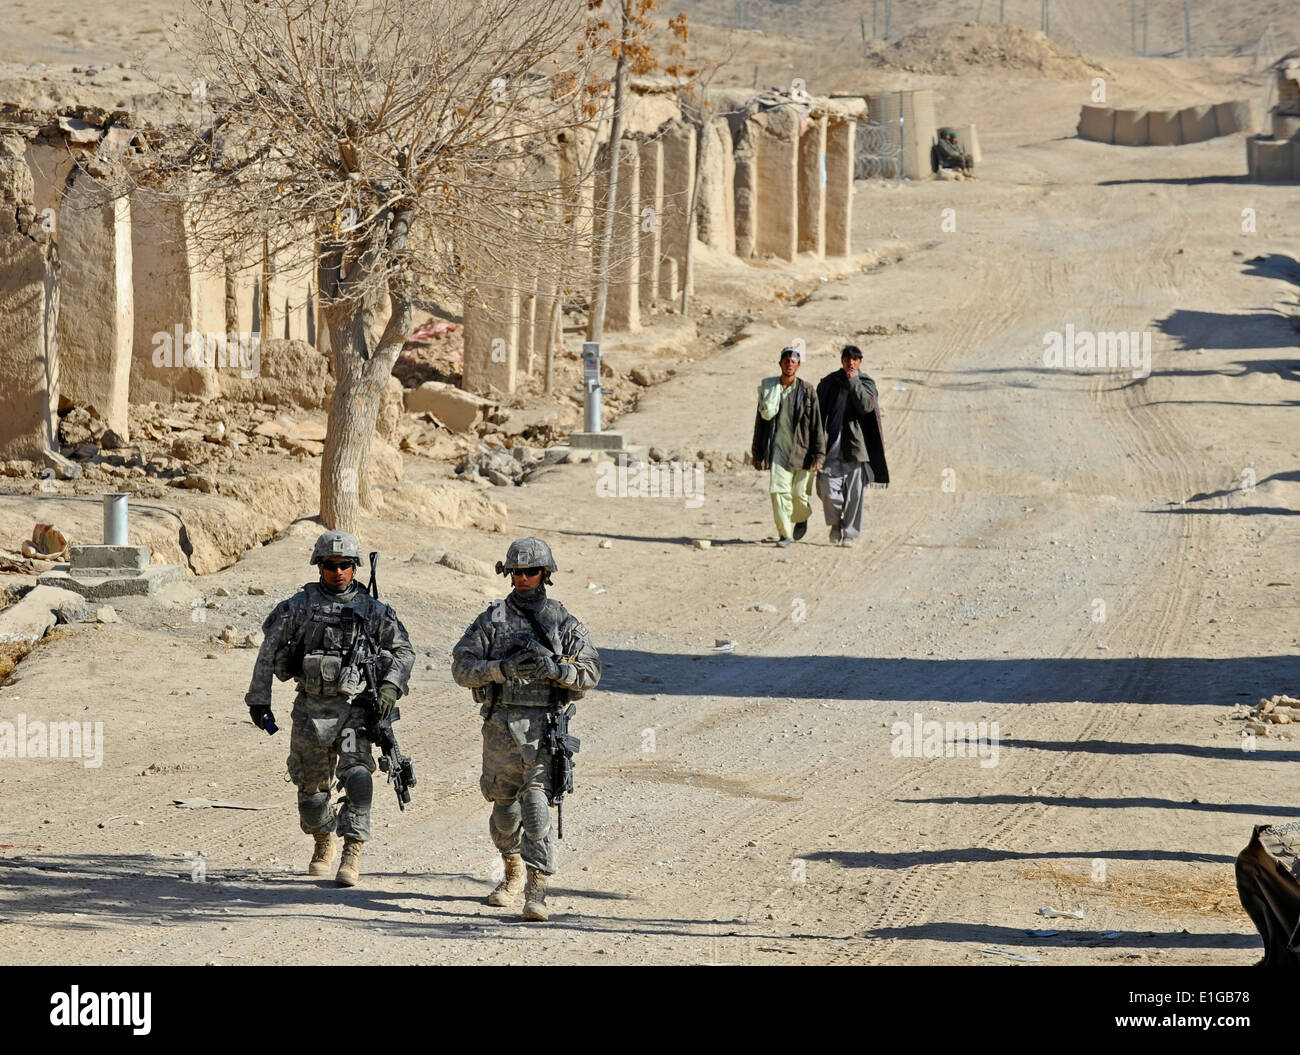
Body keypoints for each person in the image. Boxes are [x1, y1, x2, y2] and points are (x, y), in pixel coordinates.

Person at [244, 530, 415, 888]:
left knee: (358, 777)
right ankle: (323, 841)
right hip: (310, 709)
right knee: (310, 792)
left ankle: (353, 850)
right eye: (330, 565)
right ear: (319, 566)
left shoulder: (373, 611)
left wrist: (389, 686)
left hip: (354, 710)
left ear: (355, 567)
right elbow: (269, 647)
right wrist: (259, 698)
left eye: (345, 566)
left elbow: (403, 651)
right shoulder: (300, 606)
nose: (338, 572)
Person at [451, 538, 600, 922]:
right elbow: (461, 667)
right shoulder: (493, 619)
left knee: (535, 805)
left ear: (545, 575)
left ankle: (537, 887)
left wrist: (558, 671)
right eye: (516, 572)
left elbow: (592, 671)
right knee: (504, 811)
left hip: (543, 729)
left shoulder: (560, 620)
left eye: (530, 571)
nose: (522, 578)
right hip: (501, 726)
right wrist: (501, 670)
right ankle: (512, 869)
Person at [815, 345, 890, 548]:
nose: (851, 362)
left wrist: (854, 381)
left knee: (855, 492)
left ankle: (850, 533)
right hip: (832, 442)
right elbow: (817, 411)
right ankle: (835, 523)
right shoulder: (829, 382)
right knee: (827, 489)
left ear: (860, 362)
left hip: (856, 444)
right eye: (848, 359)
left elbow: (866, 407)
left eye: (855, 359)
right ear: (842, 360)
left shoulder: (865, 383)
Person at [752, 346, 825, 547]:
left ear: (798, 365)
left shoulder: (807, 390)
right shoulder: (769, 389)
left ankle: (801, 517)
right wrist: (757, 453)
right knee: (778, 491)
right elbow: (761, 423)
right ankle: (785, 535)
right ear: (780, 364)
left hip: (803, 450)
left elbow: (816, 424)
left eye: (793, 361)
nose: (789, 364)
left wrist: (819, 455)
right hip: (778, 450)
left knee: (799, 496)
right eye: (786, 361)